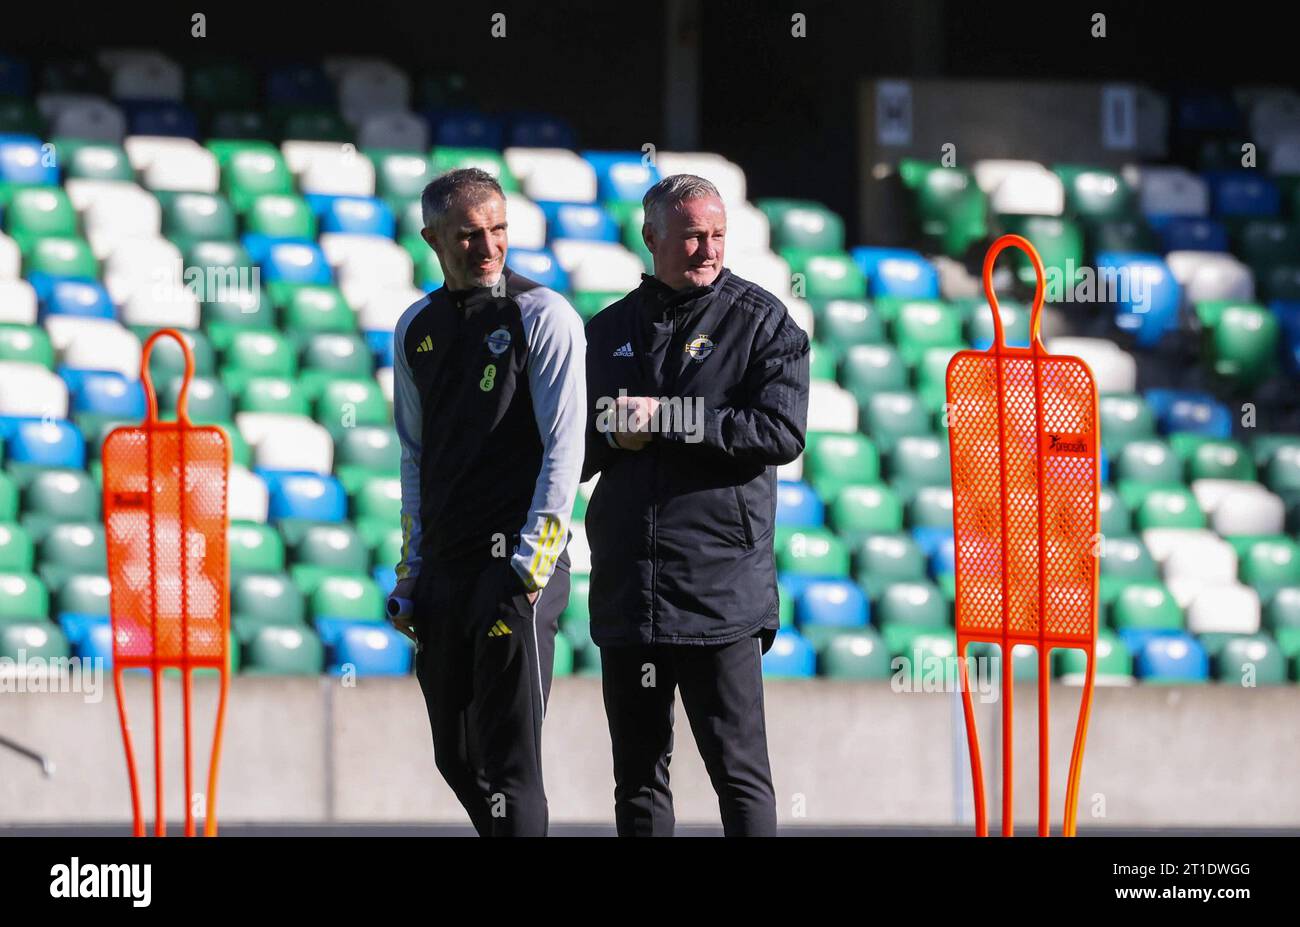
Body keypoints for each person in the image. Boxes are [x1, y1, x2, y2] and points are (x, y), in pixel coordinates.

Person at [582, 173, 811, 836]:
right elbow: (575, 450)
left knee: (738, 774)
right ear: (651, 237)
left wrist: (669, 416)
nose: (706, 249)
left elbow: (778, 432)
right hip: (631, 591)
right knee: (638, 780)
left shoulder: (763, 322)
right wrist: (608, 430)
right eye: (690, 236)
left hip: (720, 593)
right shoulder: (609, 330)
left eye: (715, 235)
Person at [387, 168, 586, 836]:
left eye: (498, 230)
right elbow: (414, 455)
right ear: (432, 239)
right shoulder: (415, 327)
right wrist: (413, 567)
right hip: (445, 569)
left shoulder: (544, 315)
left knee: (510, 762)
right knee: (455, 754)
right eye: (468, 235)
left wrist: (531, 568)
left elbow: (566, 451)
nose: (487, 246)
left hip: (515, 569)